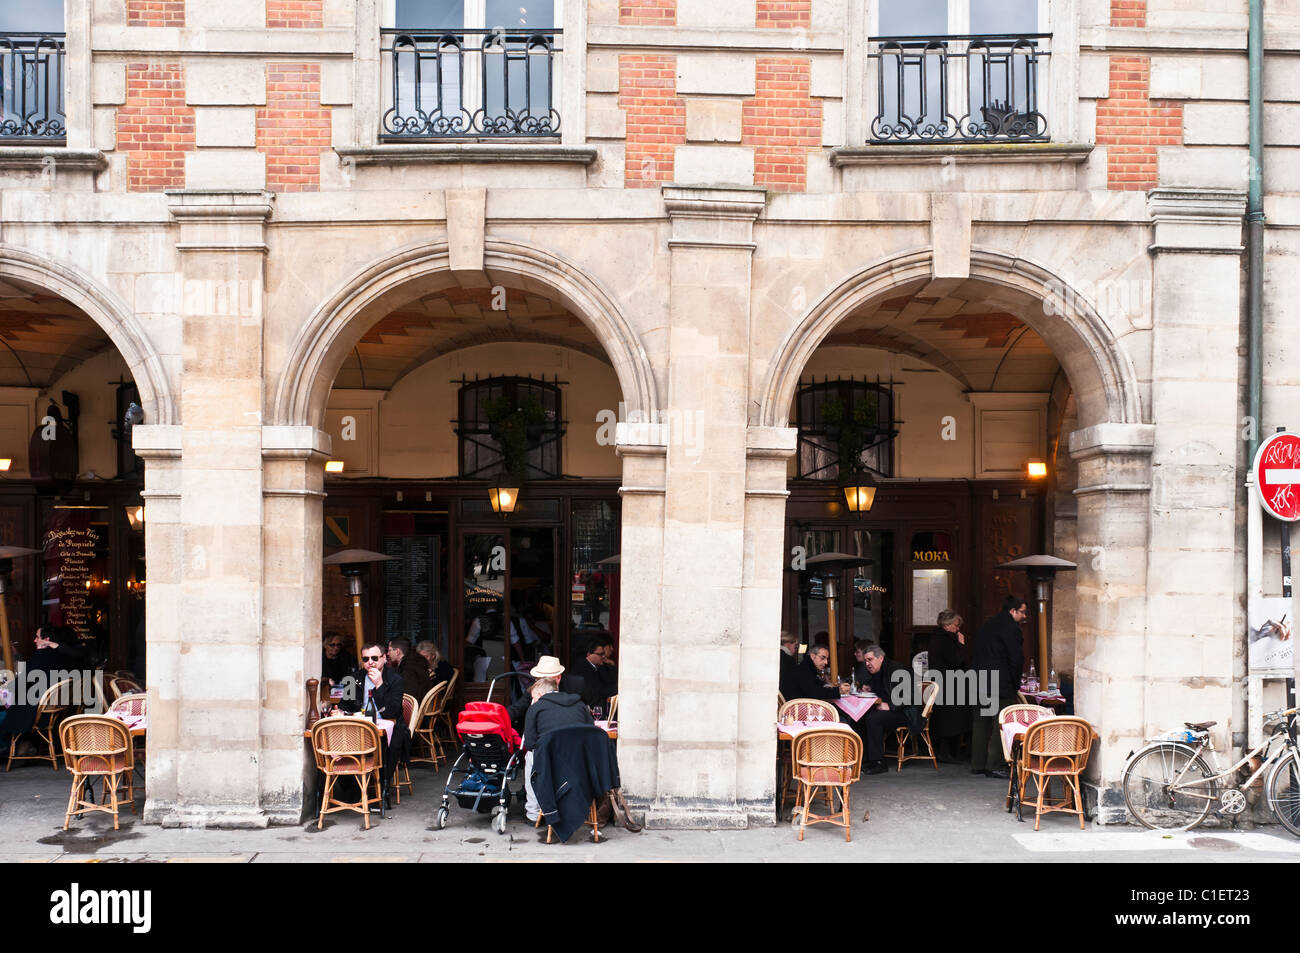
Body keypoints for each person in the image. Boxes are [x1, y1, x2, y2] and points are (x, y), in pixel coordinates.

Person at [335, 639, 411, 795]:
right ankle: (352, 790)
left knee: (393, 743)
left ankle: (382, 788)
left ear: (384, 658)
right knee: (336, 741)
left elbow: (392, 712)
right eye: (366, 659)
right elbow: (344, 705)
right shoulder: (353, 678)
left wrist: (379, 685)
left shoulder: (395, 679)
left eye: (374, 658)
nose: (370, 662)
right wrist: (339, 712)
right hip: (359, 726)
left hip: (390, 726)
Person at [0, 625, 87, 755]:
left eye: (37, 637)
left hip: (37, 712)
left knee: (3, 715)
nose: (34, 641)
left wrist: (7, 687)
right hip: (56, 711)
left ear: (46, 639)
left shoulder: (41, 656)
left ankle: (7, 750)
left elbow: (21, 682)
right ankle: (23, 746)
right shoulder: (62, 657)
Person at [969, 595, 1028, 779]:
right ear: (1013, 611)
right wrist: (1015, 683)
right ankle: (994, 765)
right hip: (1000, 683)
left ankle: (977, 764)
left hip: (980, 680)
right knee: (1000, 724)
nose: (1025, 616)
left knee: (981, 722)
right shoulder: (1011, 629)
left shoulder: (988, 625)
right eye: (1023, 612)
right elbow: (1015, 659)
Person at [521, 672, 593, 823]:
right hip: (578, 763)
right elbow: (590, 732)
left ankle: (534, 814)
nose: (533, 700)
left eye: (534, 697)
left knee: (530, 756)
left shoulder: (536, 707)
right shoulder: (580, 704)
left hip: (550, 764)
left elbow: (529, 744)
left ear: (540, 694)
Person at [857, 643, 920, 775]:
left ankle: (879, 762)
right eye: (865, 661)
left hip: (907, 713)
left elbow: (911, 696)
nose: (867, 664)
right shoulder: (878, 670)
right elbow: (885, 689)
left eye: (870, 660)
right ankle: (865, 760)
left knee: (873, 719)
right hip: (893, 711)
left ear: (881, 658)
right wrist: (870, 687)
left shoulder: (898, 670)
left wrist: (890, 705)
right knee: (860, 716)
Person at [927, 609, 972, 763]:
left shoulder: (938, 638)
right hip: (949, 684)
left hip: (945, 683)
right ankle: (947, 753)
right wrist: (961, 644)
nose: (958, 628)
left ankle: (948, 752)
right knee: (951, 720)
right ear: (947, 625)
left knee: (947, 719)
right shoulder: (946, 640)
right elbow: (956, 660)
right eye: (956, 625)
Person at [573, 632, 617, 711]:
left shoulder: (598, 666)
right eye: (600, 654)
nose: (603, 657)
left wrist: (612, 665)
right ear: (589, 654)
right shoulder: (583, 669)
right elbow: (599, 691)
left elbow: (609, 681)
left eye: (604, 654)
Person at [387, 636, 430, 707]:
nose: (388, 654)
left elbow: (408, 696)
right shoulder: (416, 660)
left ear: (397, 652)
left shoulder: (409, 668)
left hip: (413, 710)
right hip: (421, 705)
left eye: (389, 650)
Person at [778, 630, 800, 700]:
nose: (796, 650)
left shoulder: (775, 655)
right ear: (788, 644)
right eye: (795, 646)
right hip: (786, 699)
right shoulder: (789, 659)